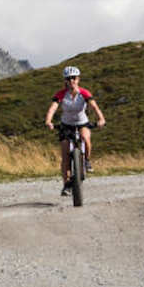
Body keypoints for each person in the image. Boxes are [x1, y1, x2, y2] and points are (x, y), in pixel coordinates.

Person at [45, 65, 106, 196]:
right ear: (65, 80)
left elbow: (94, 107)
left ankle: (87, 160)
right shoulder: (61, 94)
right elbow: (52, 108)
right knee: (65, 154)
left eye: (74, 78)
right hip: (66, 125)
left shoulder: (84, 93)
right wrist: (49, 121)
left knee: (85, 138)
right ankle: (66, 184)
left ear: (78, 79)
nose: (71, 80)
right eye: (68, 78)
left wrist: (101, 119)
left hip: (82, 123)